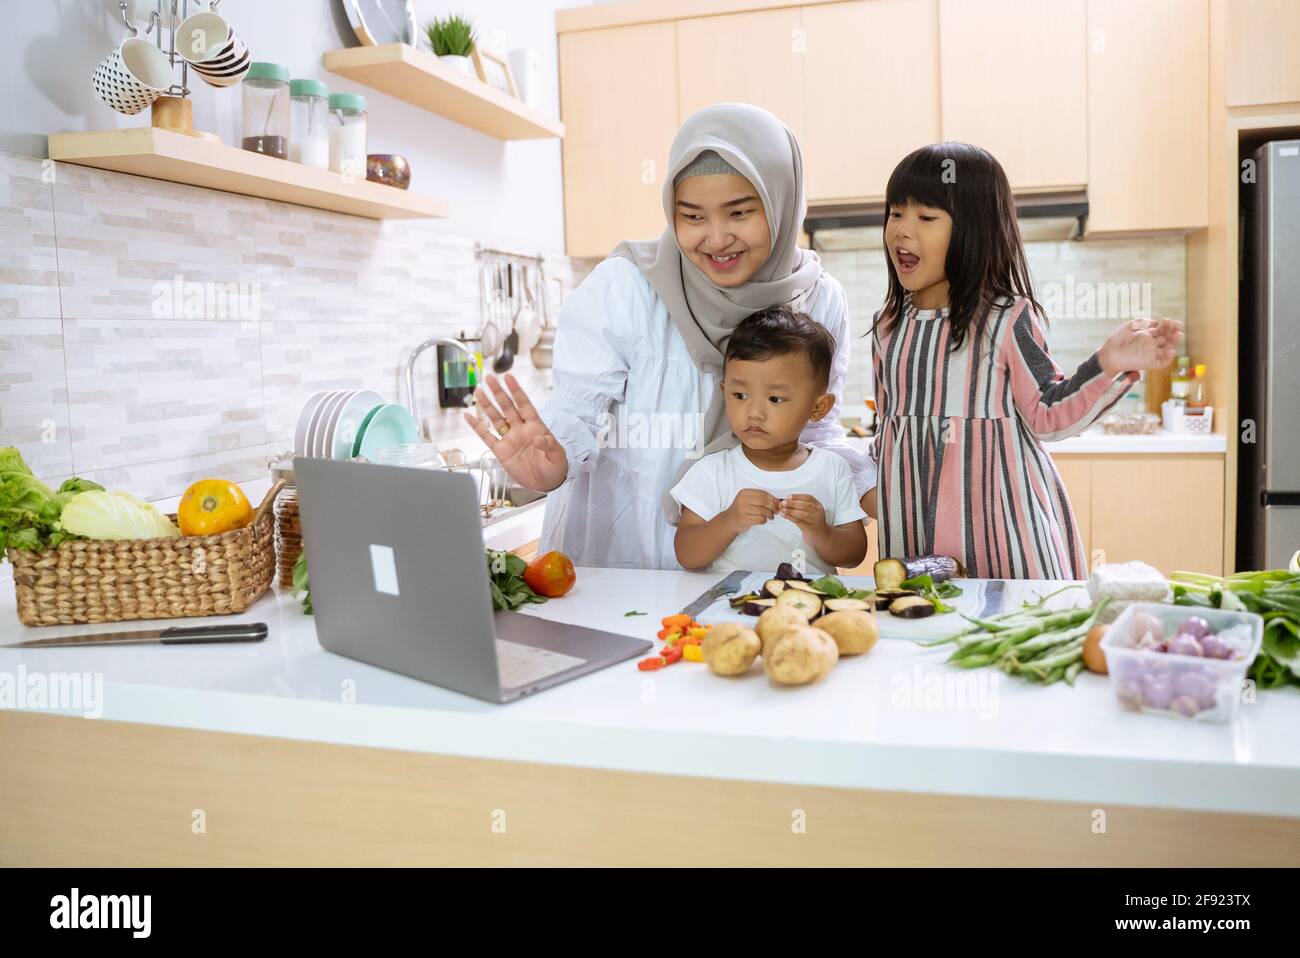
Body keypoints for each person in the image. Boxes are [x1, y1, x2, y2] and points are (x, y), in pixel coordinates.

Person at [464, 104, 874, 569]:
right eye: (693, 216)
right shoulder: (624, 287)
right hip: (625, 556)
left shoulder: (819, 298)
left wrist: (876, 492)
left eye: (739, 212)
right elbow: (575, 415)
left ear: (781, 200)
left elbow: (817, 427)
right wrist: (551, 466)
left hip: (752, 572)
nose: (716, 239)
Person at [868, 142, 1182, 579]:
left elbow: (1048, 414)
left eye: (926, 217)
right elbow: (887, 425)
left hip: (1005, 535)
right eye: (895, 212)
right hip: (914, 538)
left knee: (1010, 637)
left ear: (973, 229)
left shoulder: (1005, 319)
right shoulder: (888, 327)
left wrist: (1108, 363)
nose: (901, 230)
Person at [670, 307, 869, 574]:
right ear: (724, 392)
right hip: (730, 608)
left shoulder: (833, 470)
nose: (753, 412)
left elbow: (854, 555)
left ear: (819, 408)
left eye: (774, 399)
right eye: (739, 395)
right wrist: (729, 521)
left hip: (808, 609)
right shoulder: (712, 471)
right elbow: (686, 554)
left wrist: (821, 532)